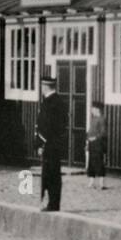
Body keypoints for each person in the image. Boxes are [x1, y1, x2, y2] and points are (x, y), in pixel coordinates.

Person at [35, 74, 67, 212]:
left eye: (42, 86)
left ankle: (51, 204)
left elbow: (46, 126)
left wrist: (41, 144)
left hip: (49, 143)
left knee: (49, 174)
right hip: (57, 143)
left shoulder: (49, 103)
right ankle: (53, 203)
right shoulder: (60, 101)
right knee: (54, 173)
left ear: (45, 86)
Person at [86, 101, 107, 190]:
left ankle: (101, 183)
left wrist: (95, 138)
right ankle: (91, 182)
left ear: (97, 109)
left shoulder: (102, 119)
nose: (91, 110)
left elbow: (103, 133)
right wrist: (88, 140)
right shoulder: (93, 119)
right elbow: (90, 131)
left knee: (99, 162)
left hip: (98, 144)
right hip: (91, 143)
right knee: (91, 163)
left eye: (93, 108)